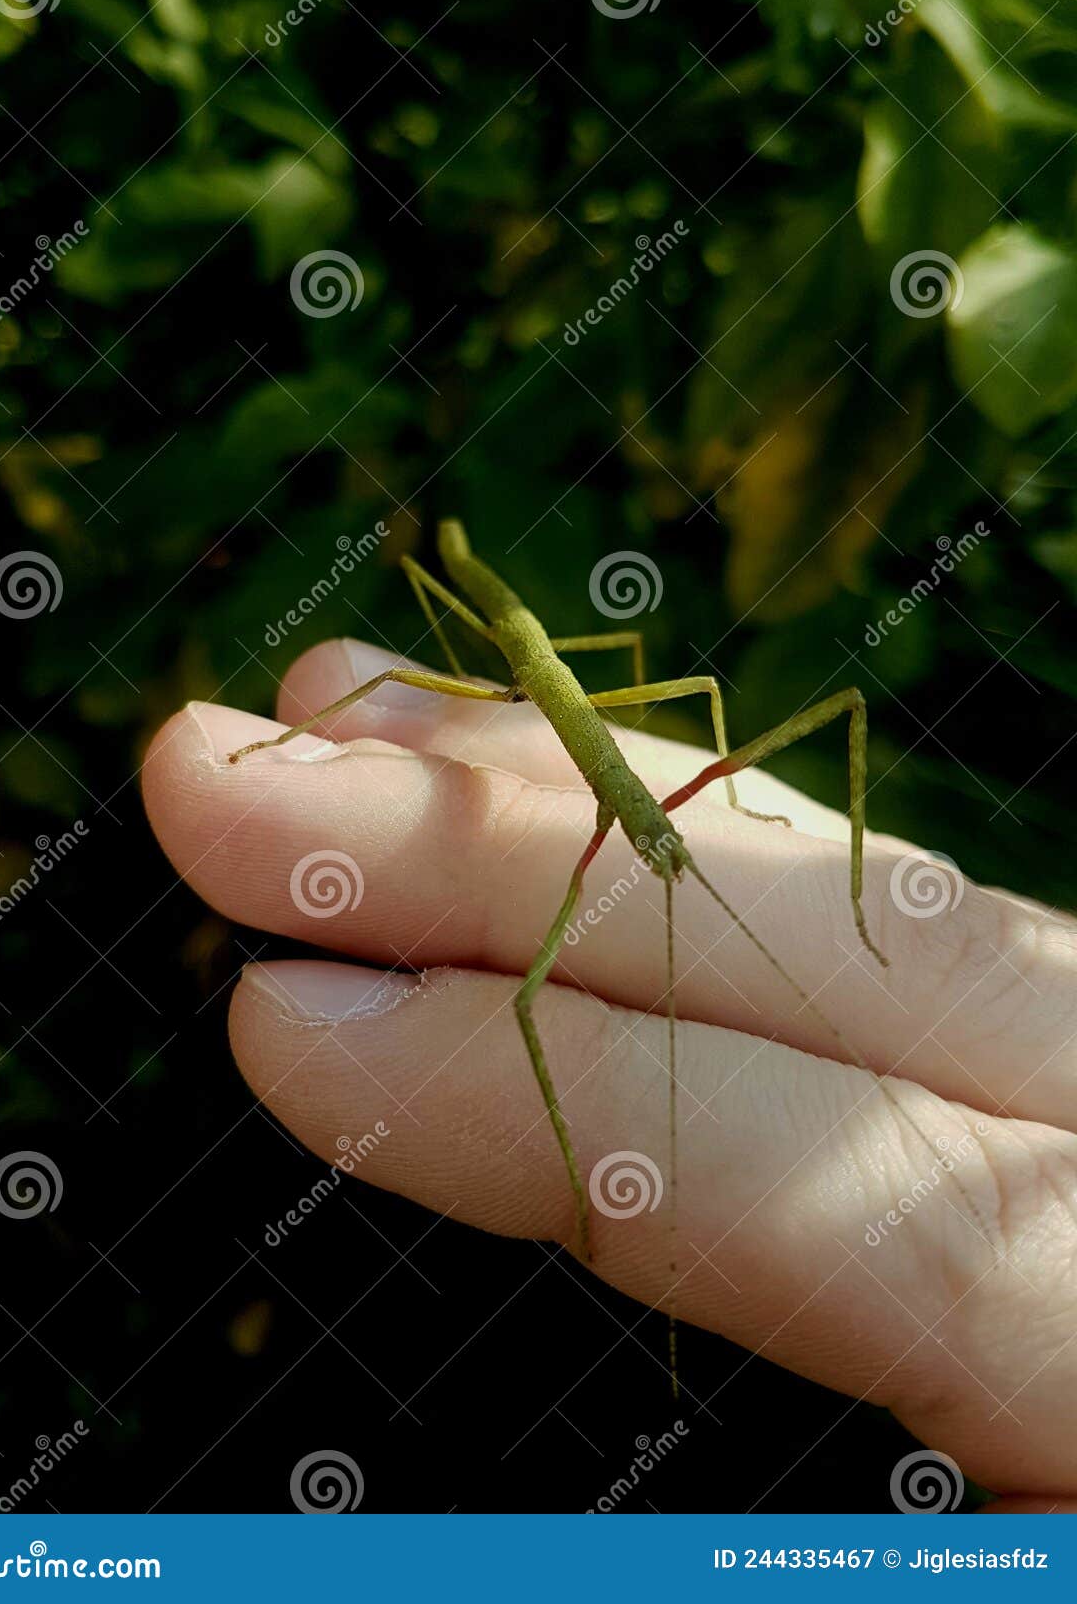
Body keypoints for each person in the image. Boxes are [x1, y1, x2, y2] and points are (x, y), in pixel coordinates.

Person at [143, 637, 1077, 1514]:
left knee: (764, 703)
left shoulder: (650, 824)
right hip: (520, 659)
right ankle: (351, 669)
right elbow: (524, 1008)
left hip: (573, 715)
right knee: (518, 978)